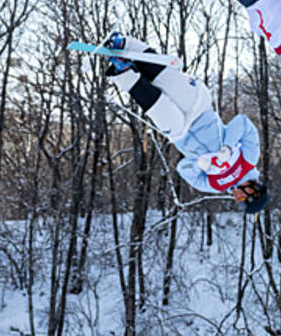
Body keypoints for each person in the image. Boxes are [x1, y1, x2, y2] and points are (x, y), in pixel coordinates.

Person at [104, 33, 269, 213]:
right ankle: (126, 44)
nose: (237, 200)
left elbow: (183, 170)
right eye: (243, 201)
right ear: (253, 191)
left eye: (240, 204)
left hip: (181, 133)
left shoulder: (216, 185)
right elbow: (243, 123)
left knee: (159, 110)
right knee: (167, 79)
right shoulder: (250, 158)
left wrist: (200, 164)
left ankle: (123, 71)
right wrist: (228, 148)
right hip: (200, 109)